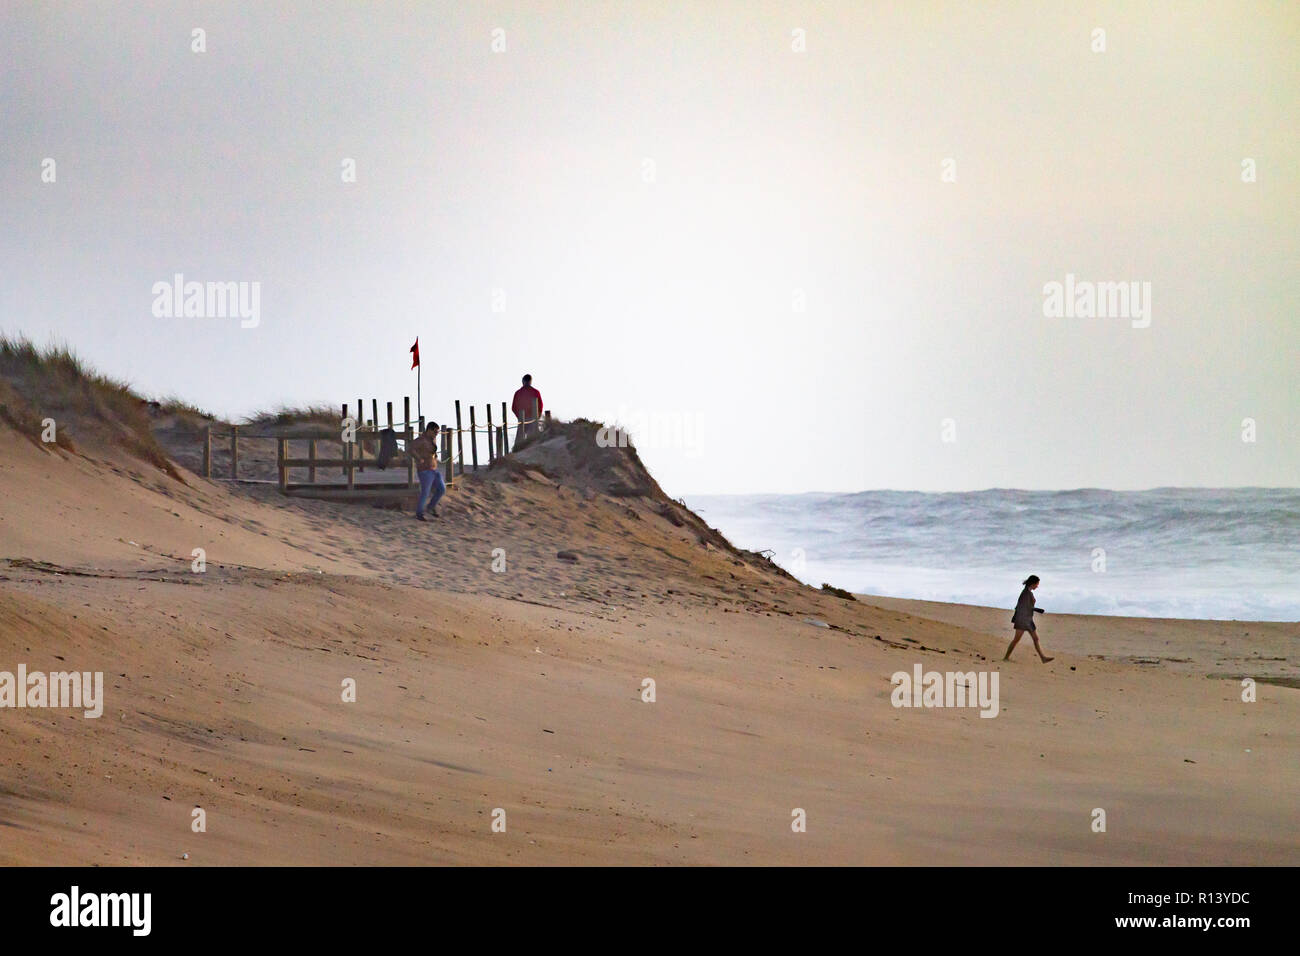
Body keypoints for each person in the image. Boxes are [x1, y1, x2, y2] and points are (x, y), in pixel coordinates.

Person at [1003, 574, 1052, 662]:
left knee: (1035, 638)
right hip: (1022, 620)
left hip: (1028, 620)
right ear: (1033, 583)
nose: (1037, 586)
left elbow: (1026, 607)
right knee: (1016, 639)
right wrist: (1037, 609)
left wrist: (1035, 610)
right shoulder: (1026, 593)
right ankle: (1006, 657)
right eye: (1037, 584)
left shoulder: (1028, 592)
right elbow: (1023, 607)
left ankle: (1043, 658)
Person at [408, 421, 445, 520]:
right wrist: (419, 458)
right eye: (435, 432)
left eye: (438, 432)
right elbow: (411, 448)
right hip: (424, 470)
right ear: (429, 430)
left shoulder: (432, 440)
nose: (436, 434)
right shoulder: (421, 440)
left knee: (441, 489)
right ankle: (419, 513)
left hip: (433, 469)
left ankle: (430, 507)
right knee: (425, 492)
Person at [511, 374, 543, 449]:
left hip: (527, 419)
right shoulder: (535, 392)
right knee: (531, 440)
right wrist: (537, 417)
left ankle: (518, 451)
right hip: (530, 419)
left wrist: (520, 417)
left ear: (523, 381)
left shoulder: (518, 393)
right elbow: (540, 406)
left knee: (523, 440)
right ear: (530, 381)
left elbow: (513, 407)